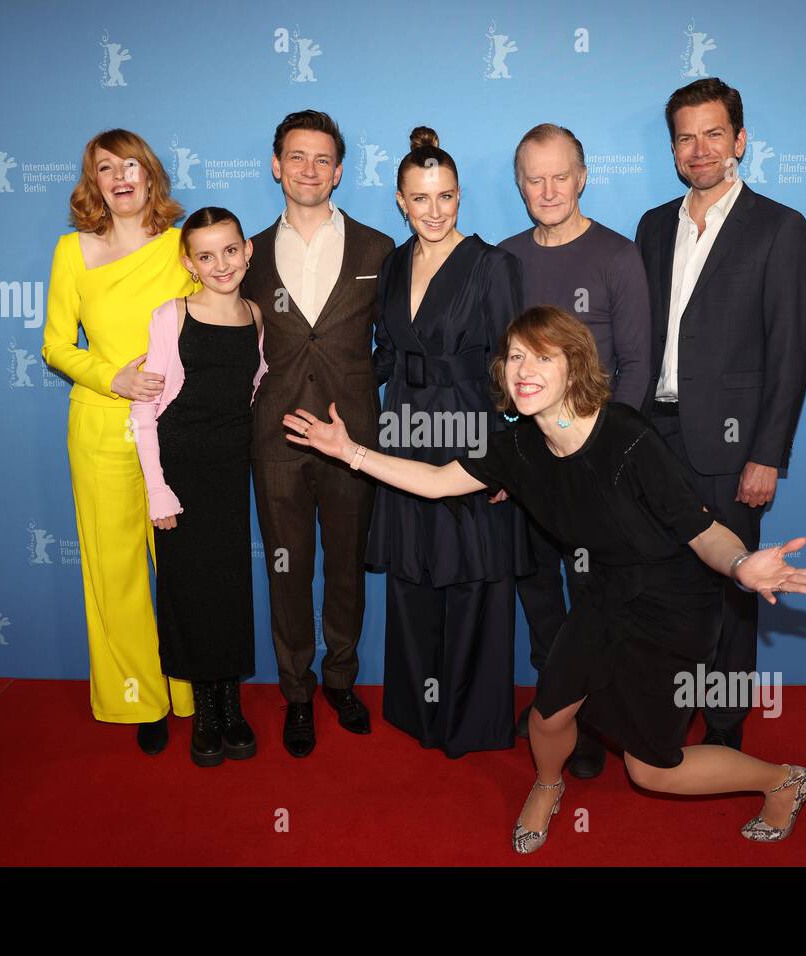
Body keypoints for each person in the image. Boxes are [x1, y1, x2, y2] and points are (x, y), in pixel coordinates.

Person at [282, 306, 806, 853]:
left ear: (575, 367)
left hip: (673, 607)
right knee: (548, 718)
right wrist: (348, 451)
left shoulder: (626, 435)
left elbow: (702, 530)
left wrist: (741, 566)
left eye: (543, 357)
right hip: (606, 595)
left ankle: (783, 779)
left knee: (651, 771)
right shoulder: (519, 446)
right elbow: (434, 482)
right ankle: (549, 783)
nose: (524, 368)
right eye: (516, 356)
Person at [635, 78, 806, 750]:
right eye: (686, 136)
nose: (699, 148)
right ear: (674, 149)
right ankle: (665, 718)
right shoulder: (654, 226)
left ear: (740, 140)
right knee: (663, 585)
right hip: (656, 437)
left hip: (734, 447)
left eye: (714, 133)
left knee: (732, 597)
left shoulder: (779, 227)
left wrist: (766, 454)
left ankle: (727, 732)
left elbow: (790, 352)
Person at [367, 126, 529, 758]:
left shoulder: (494, 266)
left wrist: (510, 457)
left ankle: (469, 721)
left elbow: (517, 369)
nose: (433, 212)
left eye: (446, 197)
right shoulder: (391, 263)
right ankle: (419, 714)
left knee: (473, 577)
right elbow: (383, 353)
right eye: (420, 198)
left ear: (460, 197)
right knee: (413, 571)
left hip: (472, 429)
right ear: (401, 201)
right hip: (404, 429)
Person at [499, 123, 653, 778]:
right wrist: (505, 456)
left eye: (560, 175)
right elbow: (496, 363)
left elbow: (640, 365)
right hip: (530, 468)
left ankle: (593, 719)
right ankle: (552, 707)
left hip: (594, 470)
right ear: (520, 185)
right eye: (534, 178)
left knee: (594, 598)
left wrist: (608, 461)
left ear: (583, 177)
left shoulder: (618, 255)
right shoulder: (504, 259)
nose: (548, 189)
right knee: (538, 593)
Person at [240, 110, 395, 758]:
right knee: (287, 570)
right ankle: (297, 692)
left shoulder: (378, 249)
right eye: (296, 156)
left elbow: (396, 345)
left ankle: (340, 679)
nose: (309, 169)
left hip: (351, 438)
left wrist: (356, 389)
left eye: (322, 158)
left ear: (339, 170)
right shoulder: (243, 254)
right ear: (277, 165)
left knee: (345, 570)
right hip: (275, 440)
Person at [42, 128, 200, 755]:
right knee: (116, 568)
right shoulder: (71, 252)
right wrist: (114, 377)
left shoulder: (179, 248)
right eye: (105, 167)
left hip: (174, 428)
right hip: (101, 426)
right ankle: (141, 696)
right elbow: (55, 345)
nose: (120, 175)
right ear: (95, 183)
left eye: (130, 163)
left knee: (181, 565)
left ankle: (187, 688)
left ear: (150, 173)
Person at [131, 207, 268, 766]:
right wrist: (157, 489)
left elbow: (254, 387)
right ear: (189, 263)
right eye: (206, 256)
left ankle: (232, 705)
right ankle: (206, 713)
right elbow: (146, 410)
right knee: (189, 589)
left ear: (247, 251)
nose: (221, 264)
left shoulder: (257, 315)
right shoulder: (172, 315)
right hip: (180, 471)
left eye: (231, 250)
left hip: (232, 471)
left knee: (230, 586)